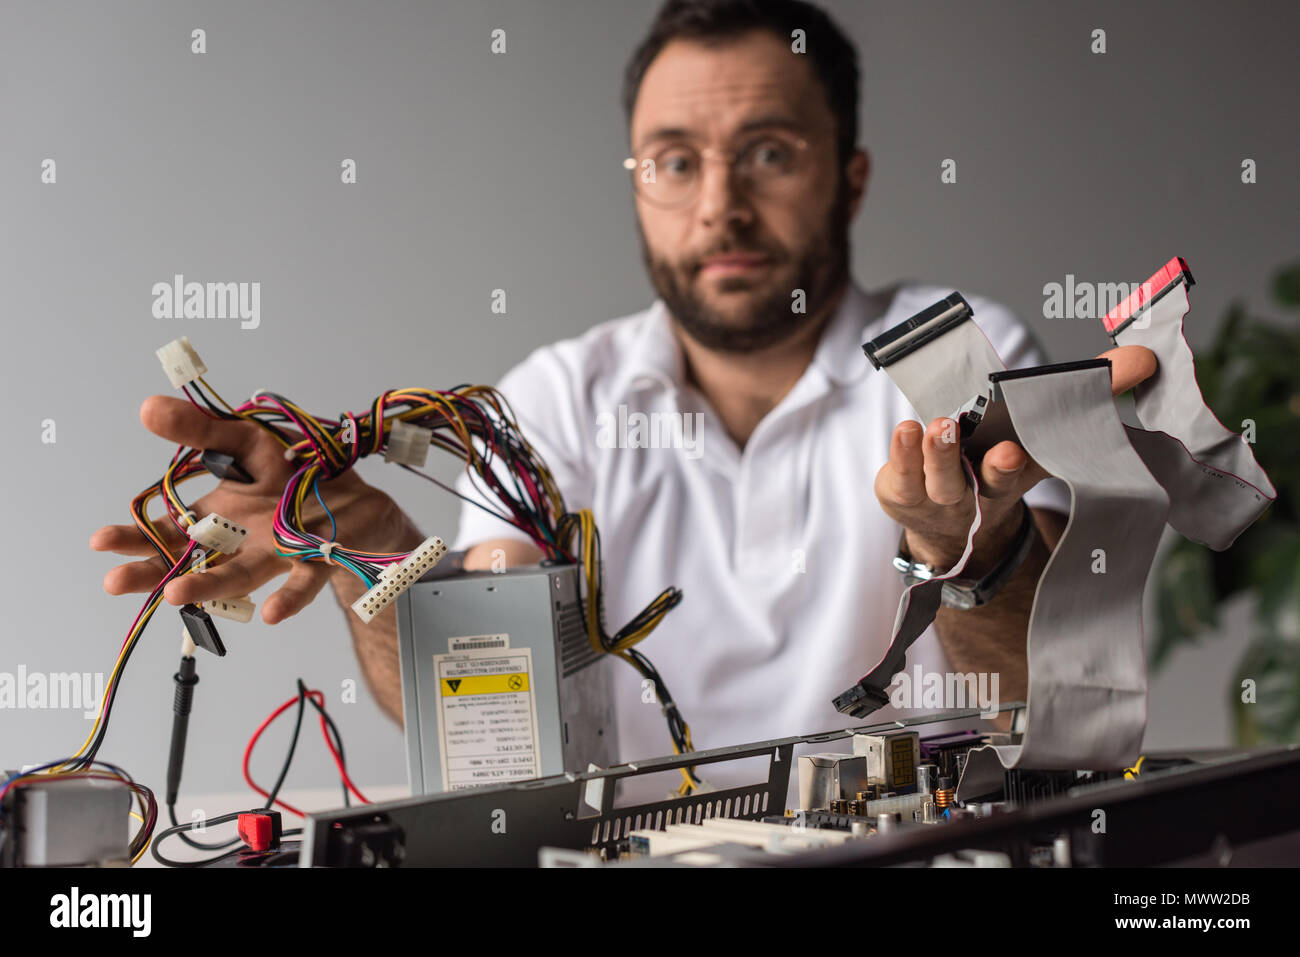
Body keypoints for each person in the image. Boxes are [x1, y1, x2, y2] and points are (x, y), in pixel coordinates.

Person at [91, 0, 1154, 802]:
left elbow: (1044, 701)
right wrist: (365, 540)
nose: (719, 205)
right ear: (635, 180)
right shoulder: (557, 397)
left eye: (769, 155)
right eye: (674, 162)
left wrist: (970, 555)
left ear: (852, 175)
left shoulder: (956, 358)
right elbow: (481, 712)